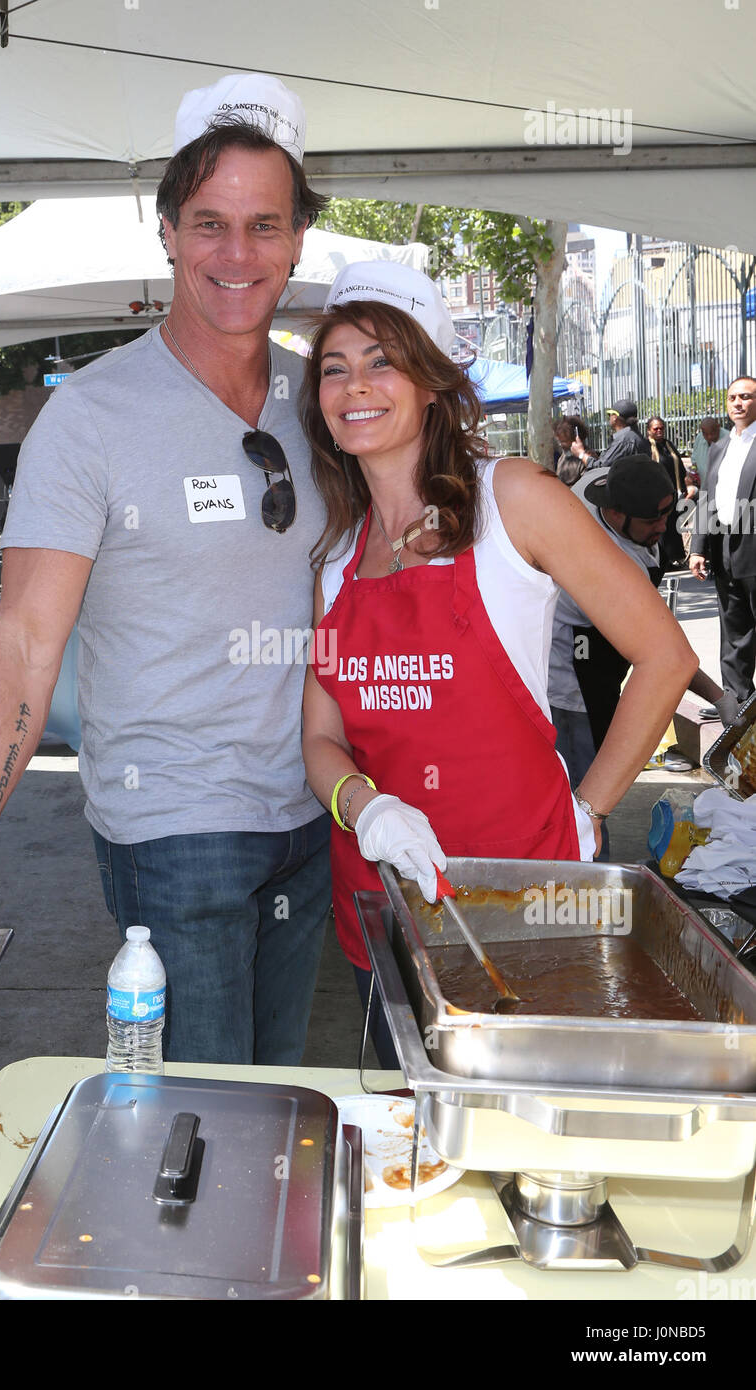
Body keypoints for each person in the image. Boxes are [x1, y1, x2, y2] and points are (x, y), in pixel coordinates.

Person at [0, 74, 334, 1067]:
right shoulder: (90, 417)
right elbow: (22, 637)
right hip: (177, 831)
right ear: (168, 232)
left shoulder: (324, 400)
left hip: (308, 816)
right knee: (202, 1119)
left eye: (264, 224)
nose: (236, 254)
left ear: (297, 237)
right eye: (209, 223)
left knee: (273, 1104)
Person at [299, 262, 697, 1061]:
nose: (355, 386)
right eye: (333, 369)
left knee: (530, 1140)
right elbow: (319, 739)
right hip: (381, 910)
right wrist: (364, 807)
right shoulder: (336, 557)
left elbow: (664, 655)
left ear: (432, 384)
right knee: (416, 1147)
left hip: (526, 899)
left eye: (382, 361)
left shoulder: (512, 499)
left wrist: (587, 809)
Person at [548, 456, 732, 859]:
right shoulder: (606, 565)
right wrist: (719, 698)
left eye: (668, 512)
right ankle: (592, 878)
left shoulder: (602, 481)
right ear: (615, 514)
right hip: (572, 677)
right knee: (588, 791)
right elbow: (666, 653)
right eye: (653, 520)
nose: (665, 526)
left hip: (603, 651)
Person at [689, 376, 756, 709]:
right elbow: (706, 500)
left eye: (746, 397)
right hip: (725, 549)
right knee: (733, 632)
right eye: (733, 398)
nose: (738, 403)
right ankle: (739, 703)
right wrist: (698, 548)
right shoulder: (719, 447)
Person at [646, 416, 694, 569]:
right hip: (655, 496)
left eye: (661, 428)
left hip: (672, 493)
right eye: (656, 429)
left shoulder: (668, 445)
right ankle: (663, 560)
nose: (659, 431)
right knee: (661, 528)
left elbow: (678, 465)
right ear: (649, 430)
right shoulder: (647, 447)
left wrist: (684, 486)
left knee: (673, 526)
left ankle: (675, 557)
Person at [598, 399, 646, 465]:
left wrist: (582, 454)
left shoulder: (624, 440)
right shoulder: (635, 435)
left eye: (610, 414)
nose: (609, 417)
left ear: (615, 417)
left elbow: (602, 466)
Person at [691, 416, 728, 487]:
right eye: (705, 434)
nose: (709, 437)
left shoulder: (730, 438)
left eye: (712, 433)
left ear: (718, 427)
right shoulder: (699, 438)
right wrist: (693, 472)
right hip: (704, 488)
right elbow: (694, 461)